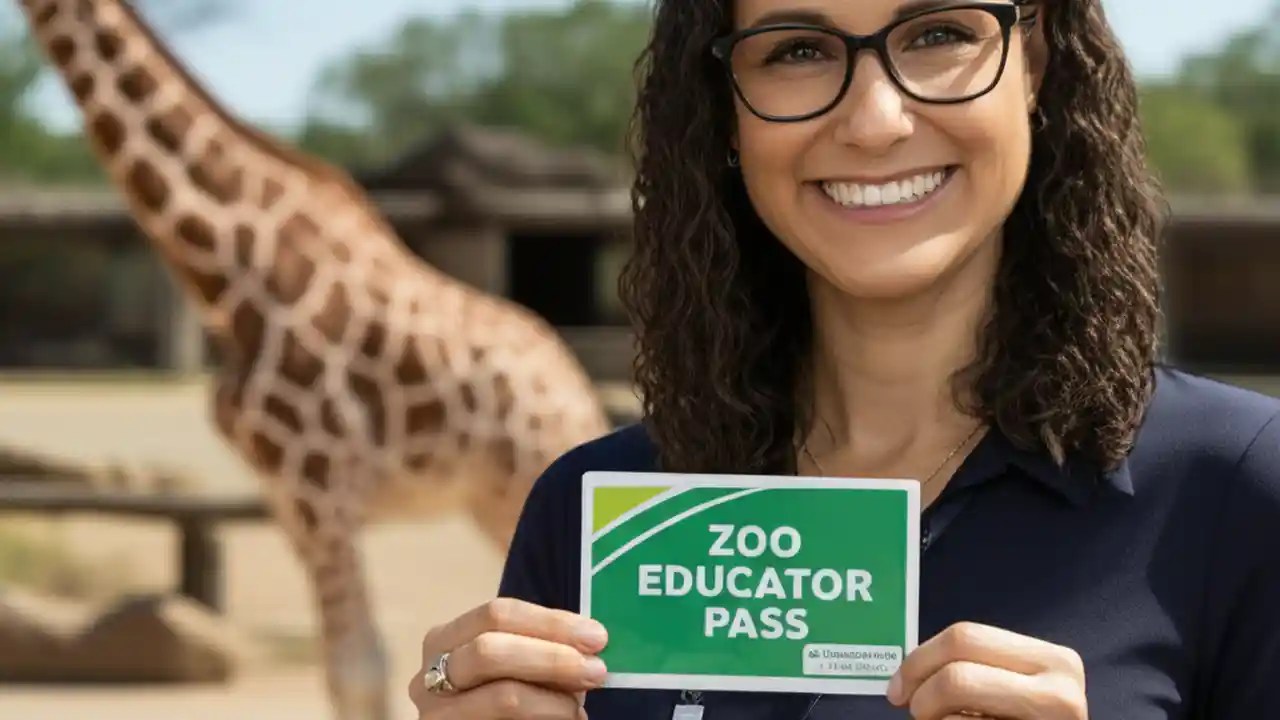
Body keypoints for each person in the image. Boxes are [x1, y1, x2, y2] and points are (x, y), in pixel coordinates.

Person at [408, 0, 1280, 717]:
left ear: (1036, 64)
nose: (873, 121)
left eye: (939, 34)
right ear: (724, 111)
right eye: (797, 50)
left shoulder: (1239, 486)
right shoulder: (592, 513)